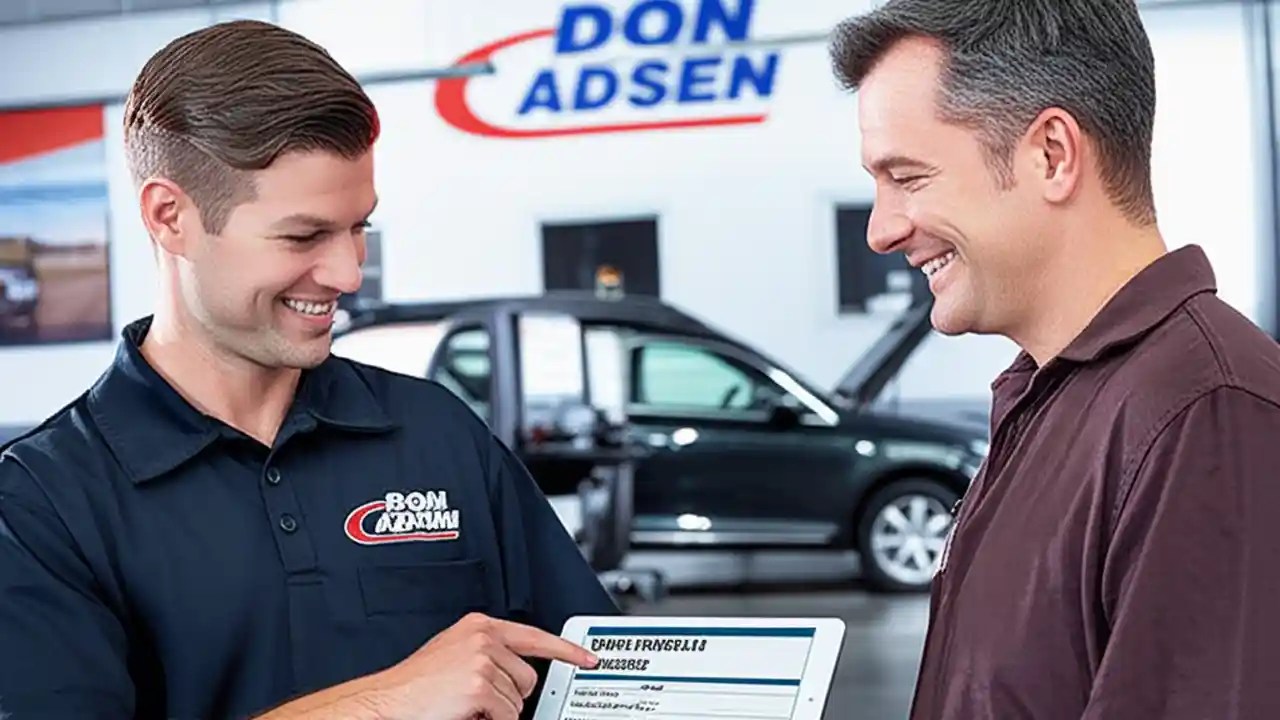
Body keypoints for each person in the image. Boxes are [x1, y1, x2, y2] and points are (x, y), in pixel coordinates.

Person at [0, 19, 619, 720]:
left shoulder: (439, 434)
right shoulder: (43, 503)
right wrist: (383, 704)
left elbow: (604, 683)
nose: (348, 273)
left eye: (359, 228)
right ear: (170, 216)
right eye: (304, 236)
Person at [830, 1, 1280, 718]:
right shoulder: (1056, 400)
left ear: (1051, 155)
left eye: (908, 178)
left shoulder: (1205, 418)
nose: (881, 232)